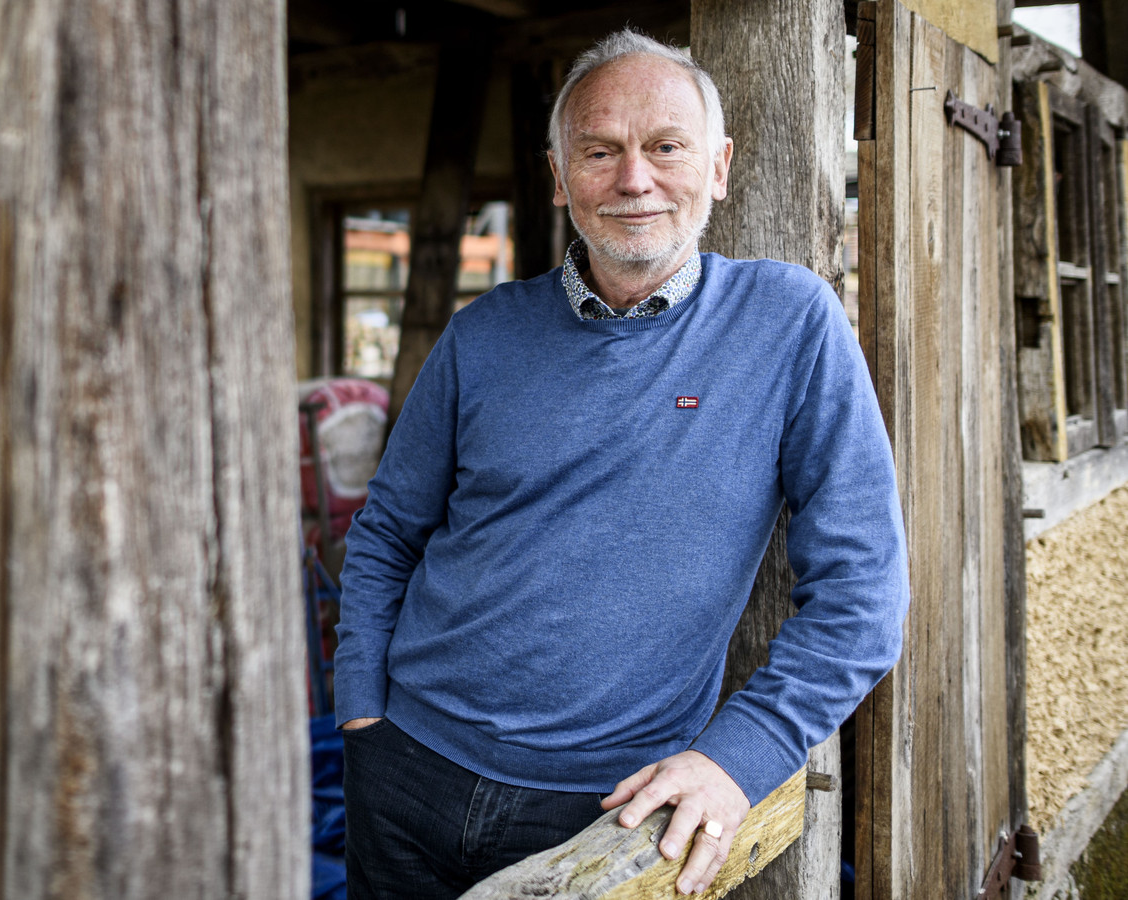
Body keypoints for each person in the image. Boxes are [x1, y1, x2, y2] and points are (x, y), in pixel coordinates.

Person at [333, 28, 909, 900]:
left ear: (716, 167)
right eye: (599, 151)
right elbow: (386, 531)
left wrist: (735, 759)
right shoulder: (483, 332)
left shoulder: (790, 323)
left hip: (610, 805)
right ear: (562, 178)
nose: (633, 179)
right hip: (403, 766)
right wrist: (360, 713)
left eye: (665, 147)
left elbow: (865, 593)